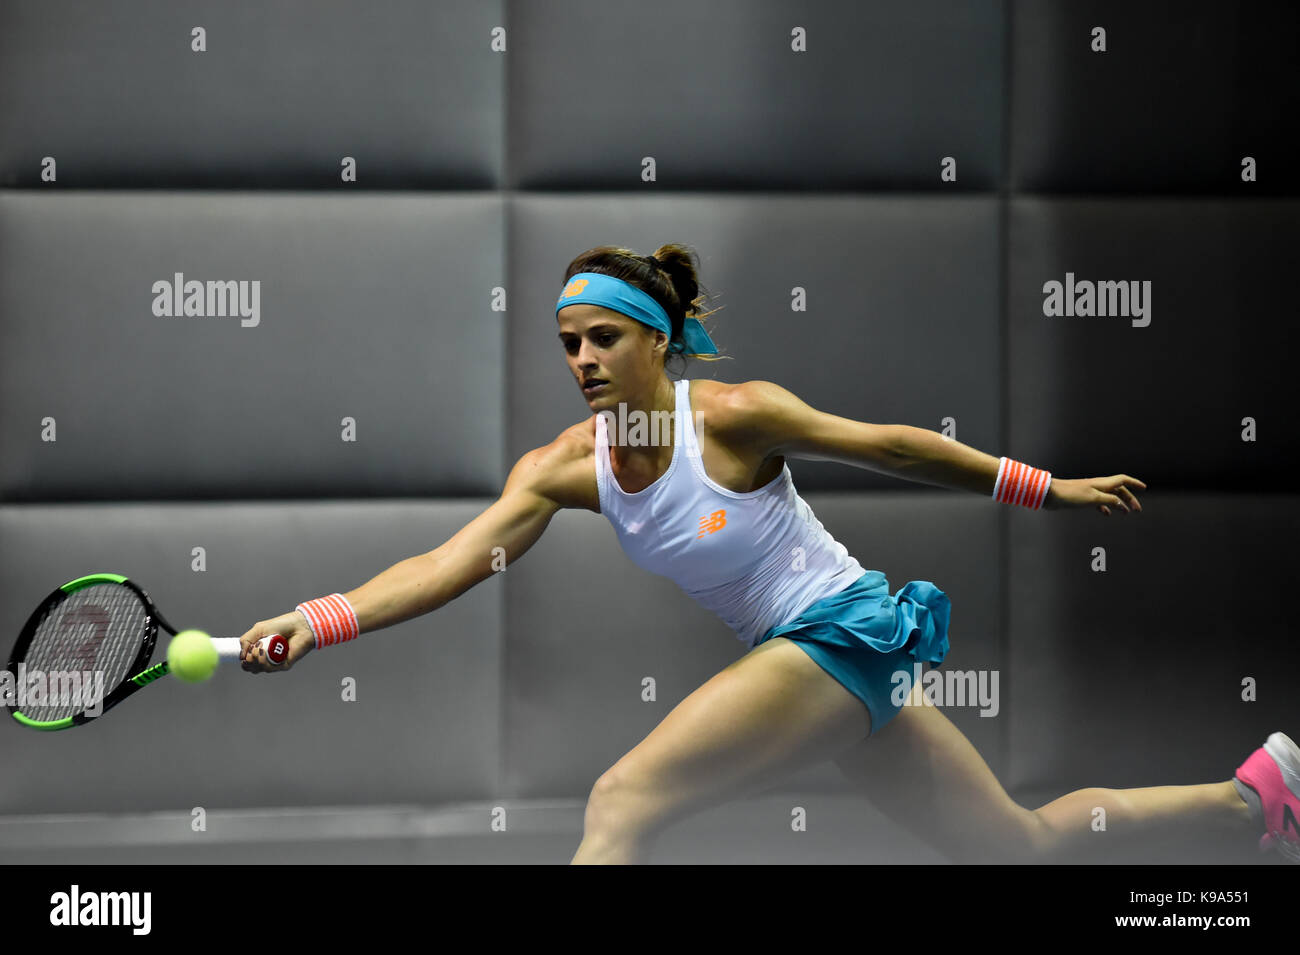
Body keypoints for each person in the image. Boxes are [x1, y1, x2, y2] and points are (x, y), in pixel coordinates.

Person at [239, 244, 1299, 865]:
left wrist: (1044, 487)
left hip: (836, 632)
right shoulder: (562, 468)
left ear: (657, 339)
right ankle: (1256, 793)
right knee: (1017, 845)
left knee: (620, 801)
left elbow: (890, 445)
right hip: (828, 662)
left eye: (602, 337)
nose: (582, 360)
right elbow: (447, 563)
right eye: (567, 343)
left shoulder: (737, 418)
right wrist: (316, 616)